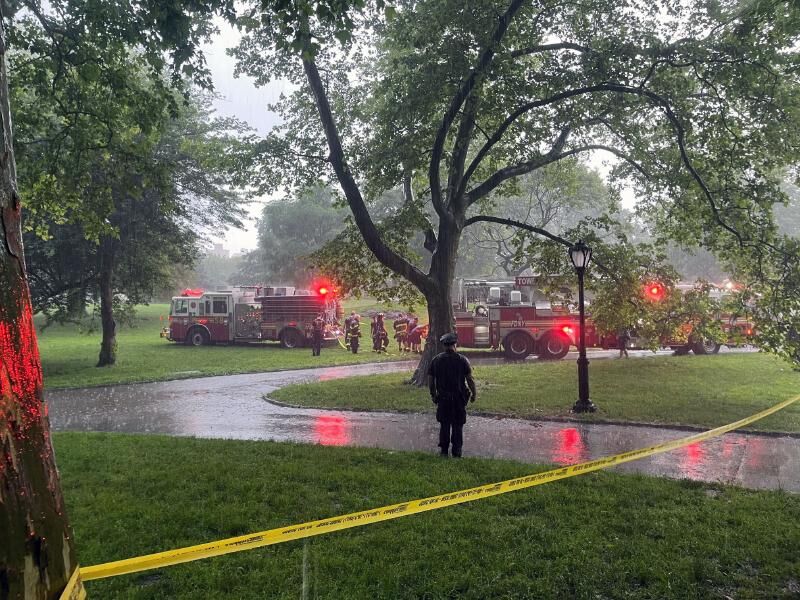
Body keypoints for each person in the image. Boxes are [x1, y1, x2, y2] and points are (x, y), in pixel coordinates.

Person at [428, 332, 476, 458]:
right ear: (455, 344)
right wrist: (474, 394)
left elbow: (431, 381)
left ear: (444, 345)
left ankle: (444, 451)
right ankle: (457, 451)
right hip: (458, 399)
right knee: (457, 425)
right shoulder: (462, 360)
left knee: (444, 425)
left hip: (443, 399)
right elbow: (470, 379)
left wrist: (433, 394)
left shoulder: (436, 360)